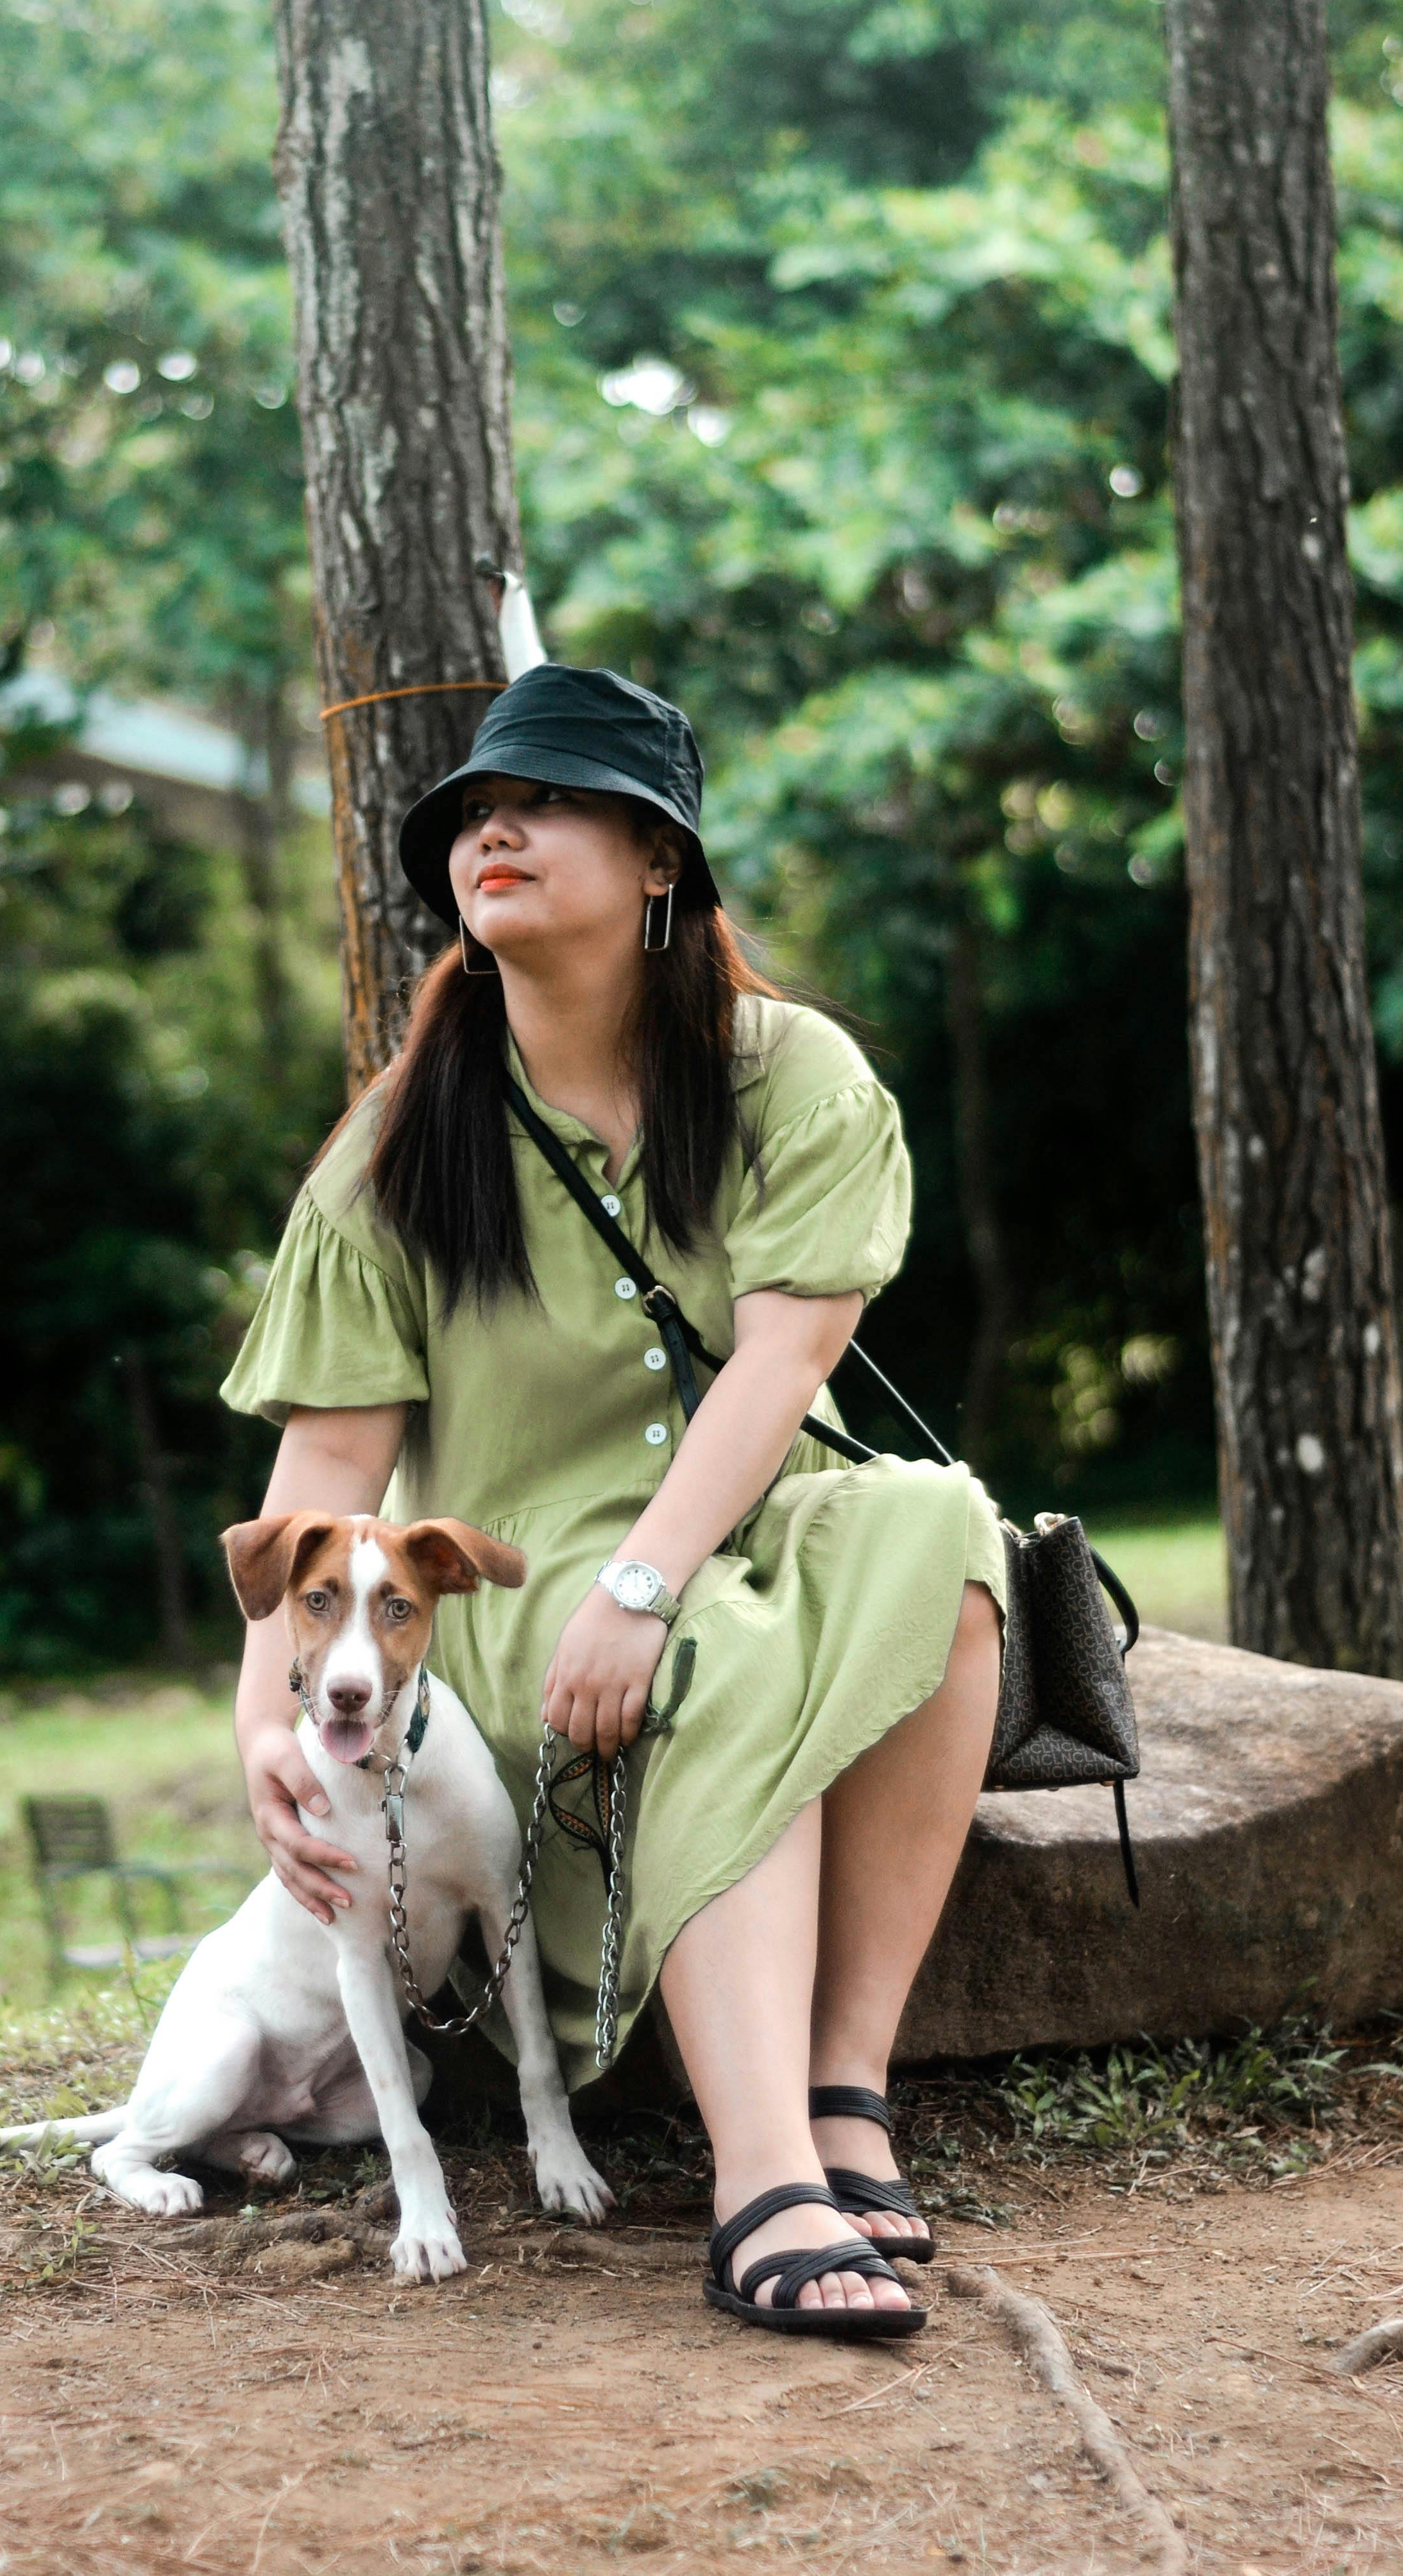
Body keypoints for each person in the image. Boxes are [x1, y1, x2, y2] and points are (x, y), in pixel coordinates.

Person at [221, 663, 1006, 2340]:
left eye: (552, 801)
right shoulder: (396, 1151)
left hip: (749, 1531)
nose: (494, 830)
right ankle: (762, 2185)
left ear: (660, 859)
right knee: (719, 1646)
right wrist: (265, 1724)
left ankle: (843, 2091)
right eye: (474, 813)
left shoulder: (788, 1075)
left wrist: (651, 1583)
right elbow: (330, 1480)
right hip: (533, 1599)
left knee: (942, 1525)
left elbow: (784, 1363)